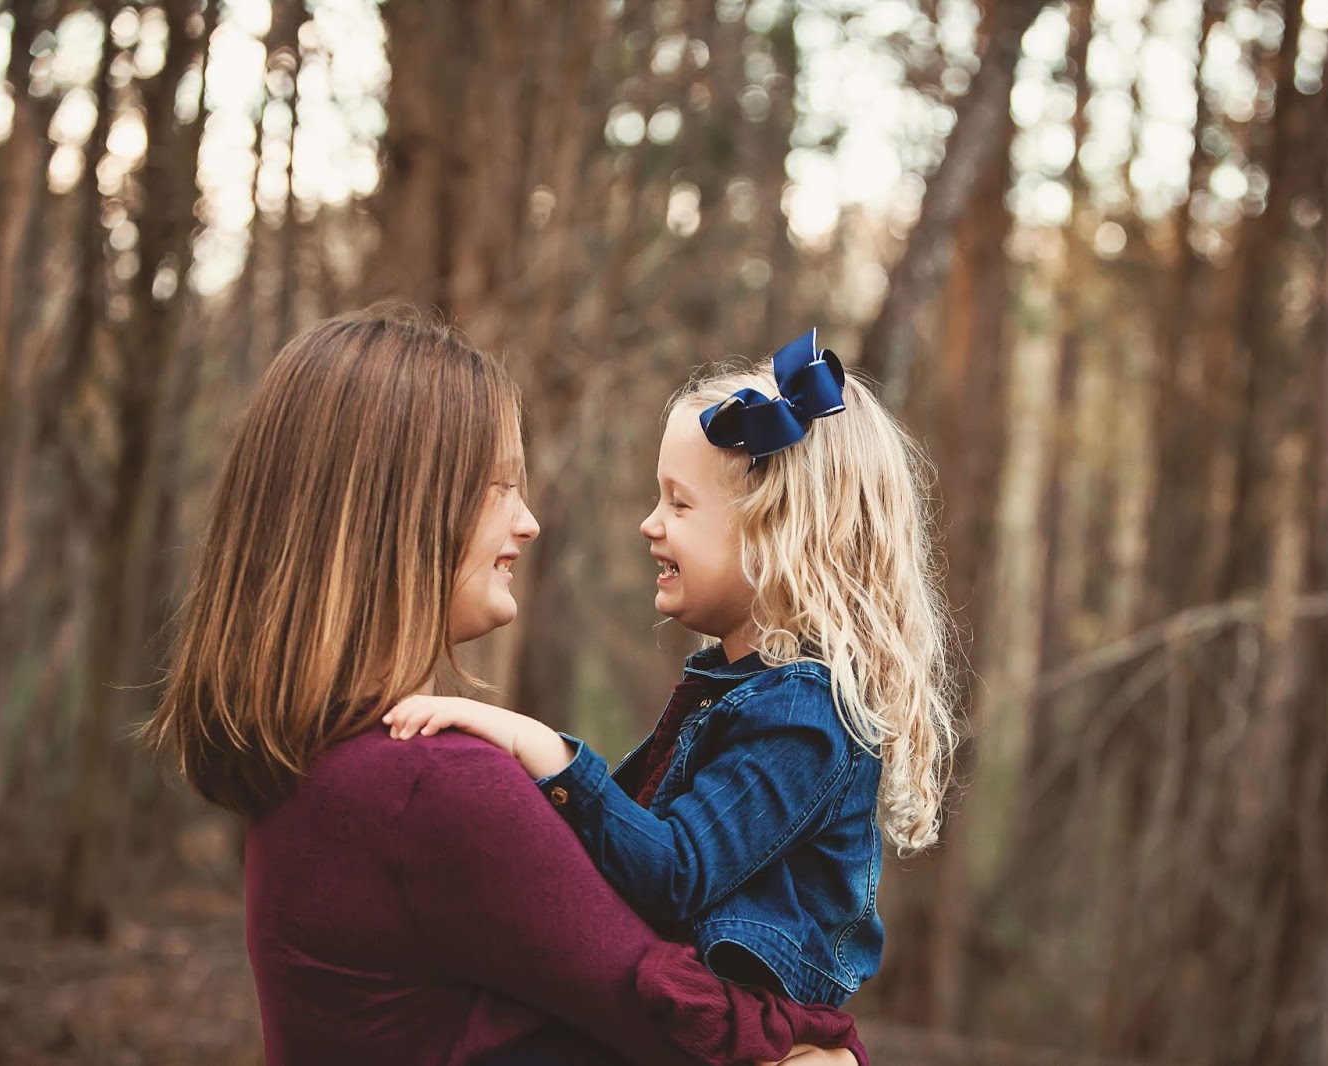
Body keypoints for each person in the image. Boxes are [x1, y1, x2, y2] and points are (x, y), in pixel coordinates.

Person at [141, 307, 865, 1065]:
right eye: (500, 486)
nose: (528, 523)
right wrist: (829, 1045)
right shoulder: (430, 788)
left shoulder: (327, 765)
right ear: (402, 509)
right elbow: (680, 1021)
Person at [385, 328, 959, 1009]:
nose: (650, 525)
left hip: (744, 1026)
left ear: (777, 532)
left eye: (679, 504)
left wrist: (532, 745)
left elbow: (673, 873)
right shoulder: (731, 691)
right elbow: (616, 841)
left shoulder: (806, 713)